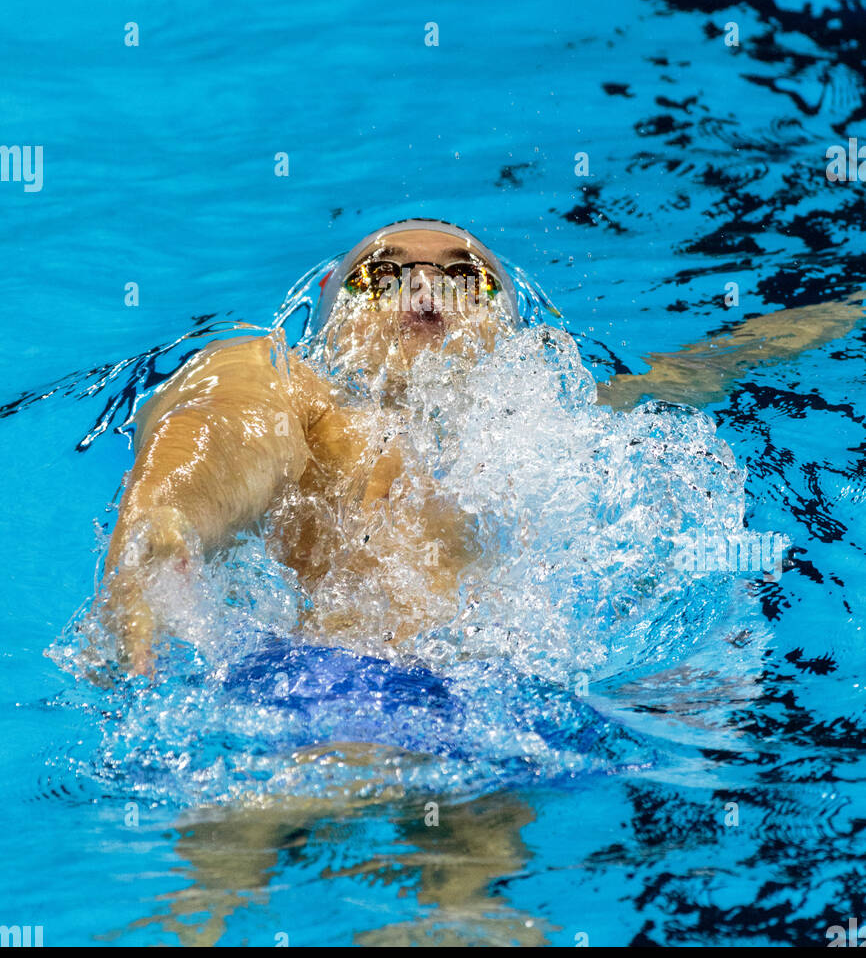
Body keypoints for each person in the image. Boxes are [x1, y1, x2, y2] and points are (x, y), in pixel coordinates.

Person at [99, 218, 864, 675]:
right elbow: (228, 424)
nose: (425, 290)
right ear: (327, 309)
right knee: (208, 903)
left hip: (485, 694)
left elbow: (711, 366)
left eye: (468, 277)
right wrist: (171, 515)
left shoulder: (554, 418)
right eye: (384, 275)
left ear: (512, 326)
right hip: (312, 683)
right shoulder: (294, 387)